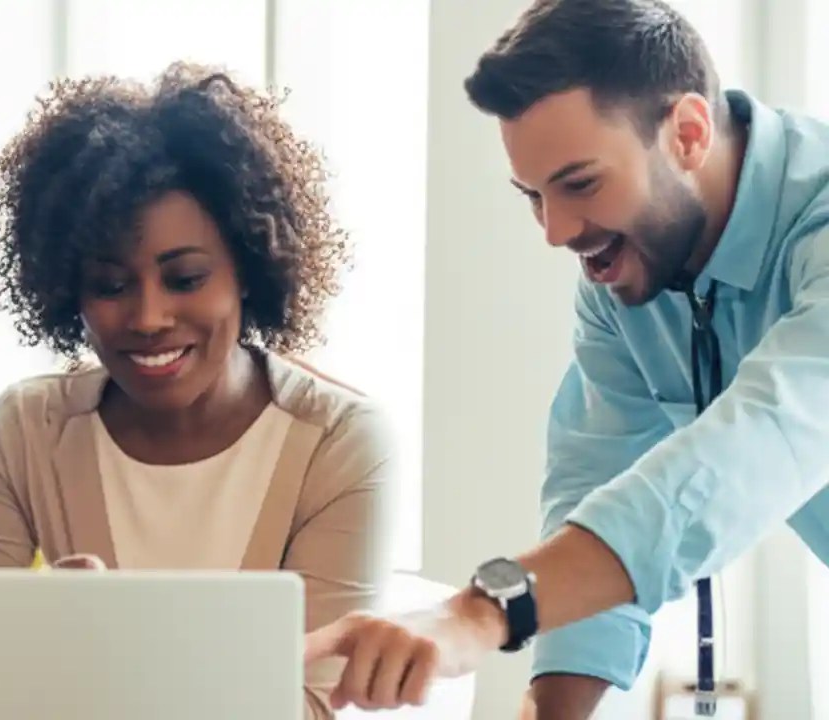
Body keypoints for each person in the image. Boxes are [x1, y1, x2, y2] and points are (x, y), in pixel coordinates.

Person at [304, 0, 829, 716]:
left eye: (580, 184)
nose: (556, 232)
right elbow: (593, 485)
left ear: (687, 133)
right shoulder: (628, 280)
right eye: (534, 197)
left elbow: (762, 441)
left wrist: (481, 613)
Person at [0, 62, 402, 719]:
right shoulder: (25, 431)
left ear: (248, 270)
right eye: (109, 285)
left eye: (185, 278)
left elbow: (308, 707)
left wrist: (98, 651)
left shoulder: (338, 444)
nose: (147, 317)